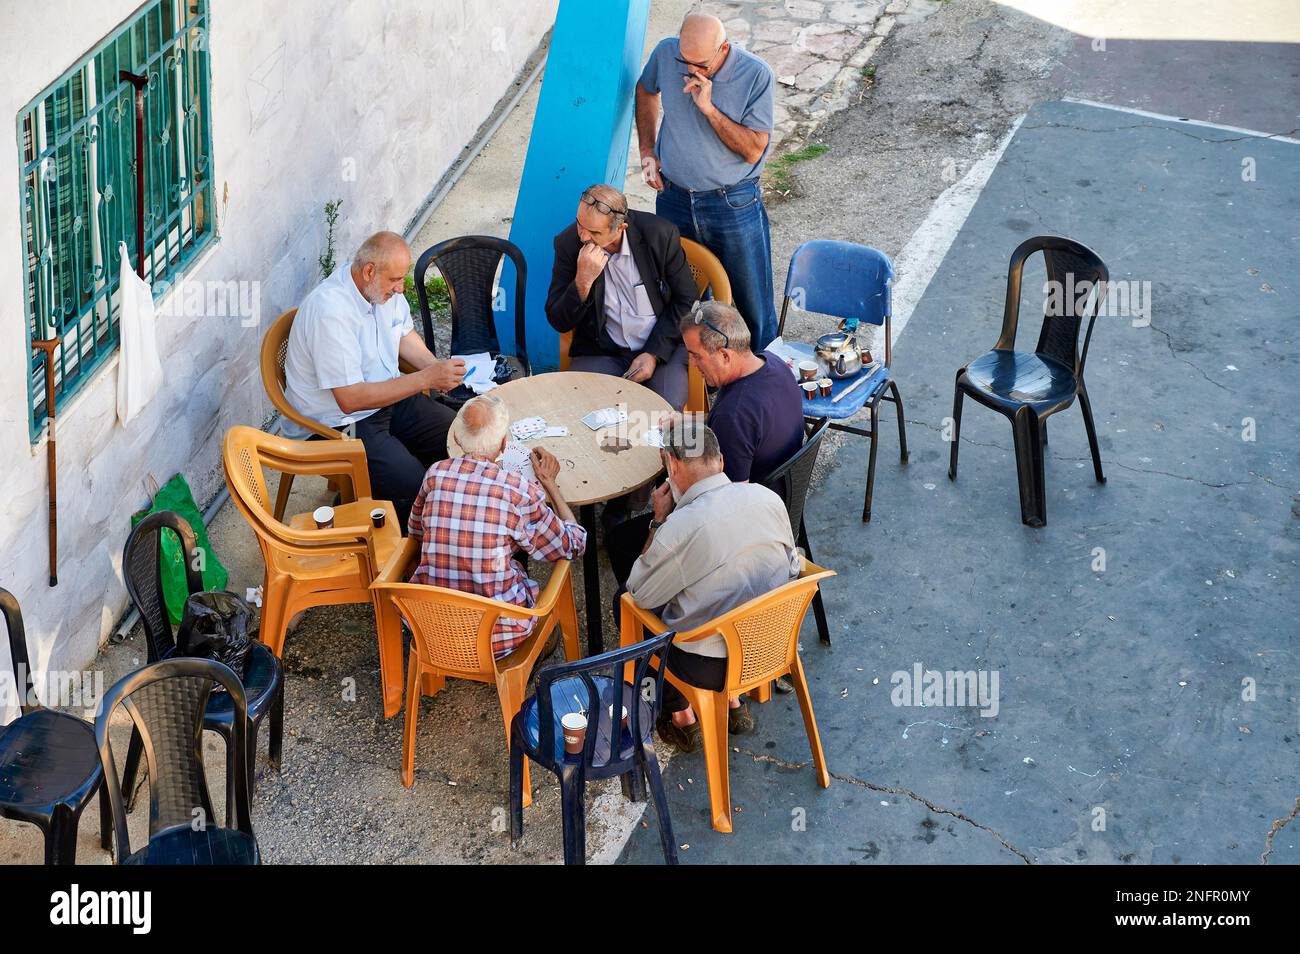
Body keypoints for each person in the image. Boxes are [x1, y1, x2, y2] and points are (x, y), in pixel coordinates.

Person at [622, 419, 801, 752]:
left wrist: (657, 522)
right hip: (774, 643)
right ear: (720, 461)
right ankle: (733, 703)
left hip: (711, 666)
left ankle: (681, 717)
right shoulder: (767, 498)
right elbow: (789, 565)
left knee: (629, 602)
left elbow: (640, 593)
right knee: (729, 581)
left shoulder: (680, 527)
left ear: (671, 464)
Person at [282, 230, 466, 525]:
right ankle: (404, 548)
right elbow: (350, 400)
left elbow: (404, 335)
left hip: (387, 398)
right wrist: (425, 379)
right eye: (395, 280)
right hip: (338, 424)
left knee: (457, 437)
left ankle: (439, 518)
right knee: (412, 485)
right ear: (369, 271)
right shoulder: (330, 312)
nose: (400, 289)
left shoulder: (381, 290)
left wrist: (437, 369)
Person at [636, 13, 778, 351]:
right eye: (685, 62)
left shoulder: (755, 74)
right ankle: (695, 376)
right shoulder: (667, 54)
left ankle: (764, 379)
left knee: (750, 300)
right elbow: (645, 91)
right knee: (679, 294)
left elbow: (752, 150)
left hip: (731, 202)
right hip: (673, 197)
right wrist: (647, 149)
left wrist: (709, 108)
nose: (691, 71)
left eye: (701, 64)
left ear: (723, 49)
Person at [406, 395, 586, 660]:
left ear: (456, 437)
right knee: (522, 571)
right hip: (495, 639)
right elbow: (574, 544)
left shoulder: (435, 474)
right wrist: (550, 484)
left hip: (430, 629)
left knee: (508, 558)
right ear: (504, 443)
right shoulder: (518, 491)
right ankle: (529, 658)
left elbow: (416, 532)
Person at [545, 184, 698, 410]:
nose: (583, 236)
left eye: (595, 232)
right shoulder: (568, 244)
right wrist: (582, 281)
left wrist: (654, 353)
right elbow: (558, 319)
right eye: (580, 224)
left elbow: (688, 300)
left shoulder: (659, 235)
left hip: (662, 344)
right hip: (603, 349)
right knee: (580, 410)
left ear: (621, 228)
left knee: (664, 412)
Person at [682, 300, 803, 485]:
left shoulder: (733, 416)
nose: (692, 363)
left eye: (696, 355)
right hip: (788, 491)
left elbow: (735, 504)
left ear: (725, 356)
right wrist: (685, 422)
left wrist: (664, 511)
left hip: (759, 508)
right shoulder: (774, 362)